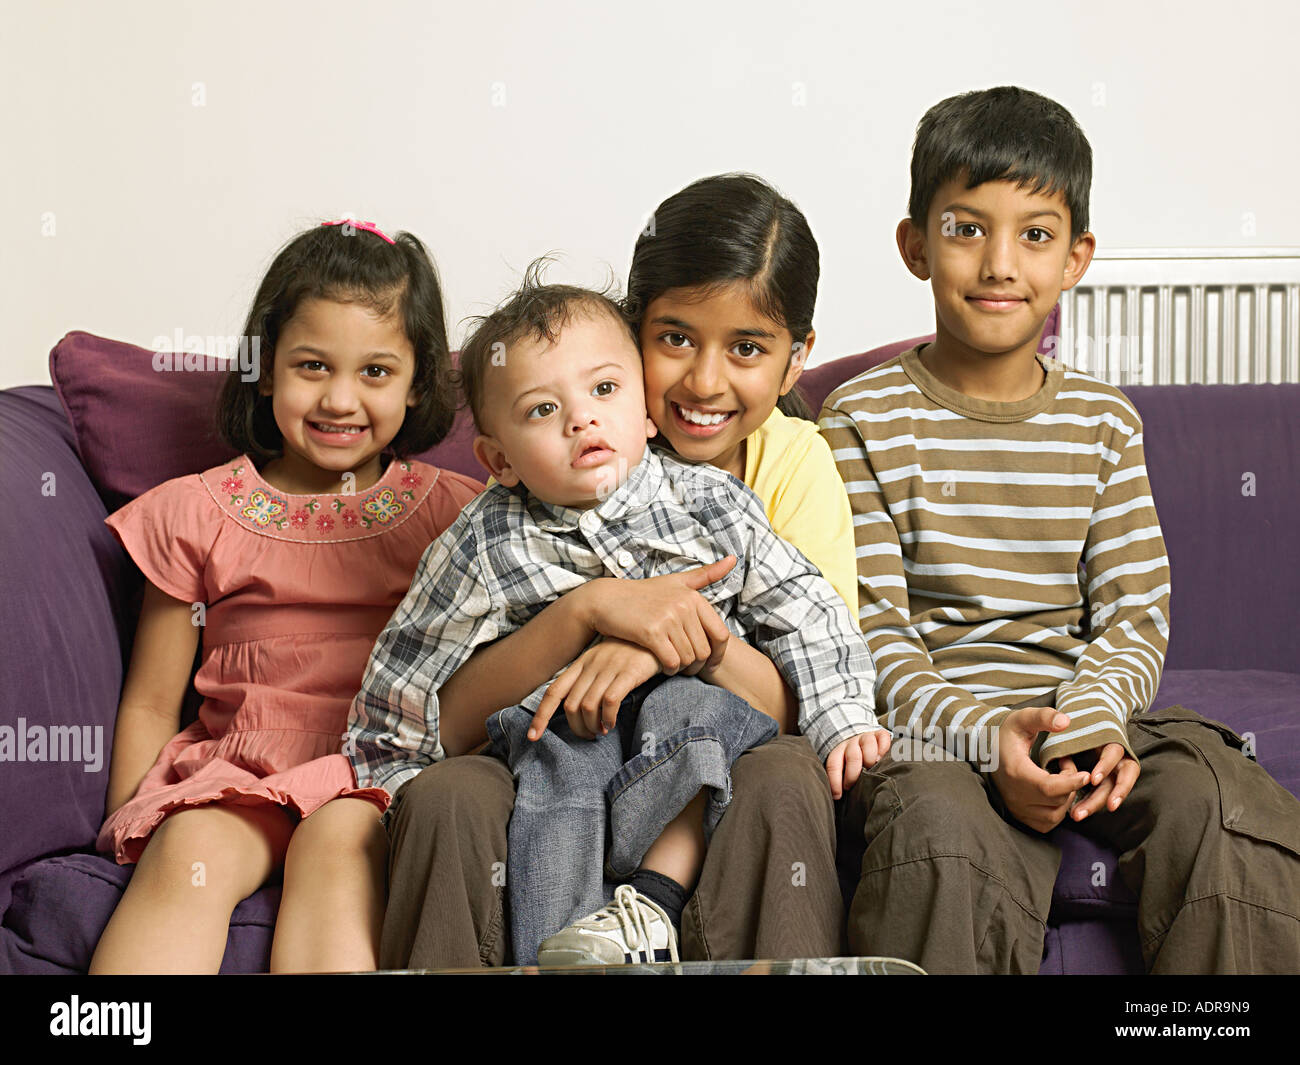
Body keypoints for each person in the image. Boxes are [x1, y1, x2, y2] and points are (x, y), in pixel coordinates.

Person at [820, 85, 1300, 973]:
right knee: (935, 829)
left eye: (1034, 235)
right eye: (967, 229)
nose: (1000, 263)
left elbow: (1131, 614)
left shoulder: (1102, 422)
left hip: (1090, 722)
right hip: (940, 735)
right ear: (914, 246)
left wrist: (1092, 723)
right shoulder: (859, 419)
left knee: (1216, 801)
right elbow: (869, 630)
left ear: (1076, 257)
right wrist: (980, 735)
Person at [377, 175, 863, 969]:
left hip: (720, 730)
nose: (704, 382)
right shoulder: (508, 520)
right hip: (549, 743)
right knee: (464, 787)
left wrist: (659, 637)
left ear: (791, 360)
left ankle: (664, 914)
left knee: (769, 763)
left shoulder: (749, 485)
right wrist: (590, 612)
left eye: (744, 348)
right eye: (675, 340)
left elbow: (805, 666)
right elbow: (424, 713)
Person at [89, 220, 482, 974]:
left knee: (338, 847)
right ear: (266, 370)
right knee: (189, 846)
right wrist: (124, 821)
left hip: (374, 768)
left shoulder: (452, 514)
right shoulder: (196, 511)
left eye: (375, 372)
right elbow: (149, 698)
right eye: (311, 365)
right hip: (237, 767)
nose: (339, 398)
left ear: (419, 384)